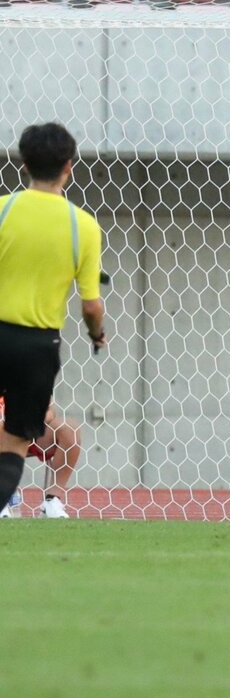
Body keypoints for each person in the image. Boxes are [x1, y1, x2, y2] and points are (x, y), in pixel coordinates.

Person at [0, 123, 106, 516]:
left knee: (32, 433)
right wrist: (98, 336)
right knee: (14, 438)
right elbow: (91, 306)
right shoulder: (85, 227)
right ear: (69, 167)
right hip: (38, 345)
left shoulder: (3, 210)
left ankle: (30, 502)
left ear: (23, 164)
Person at [0, 399, 81, 519]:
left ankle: (52, 500)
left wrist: (32, 422)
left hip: (31, 433)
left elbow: (50, 411)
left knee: (69, 429)